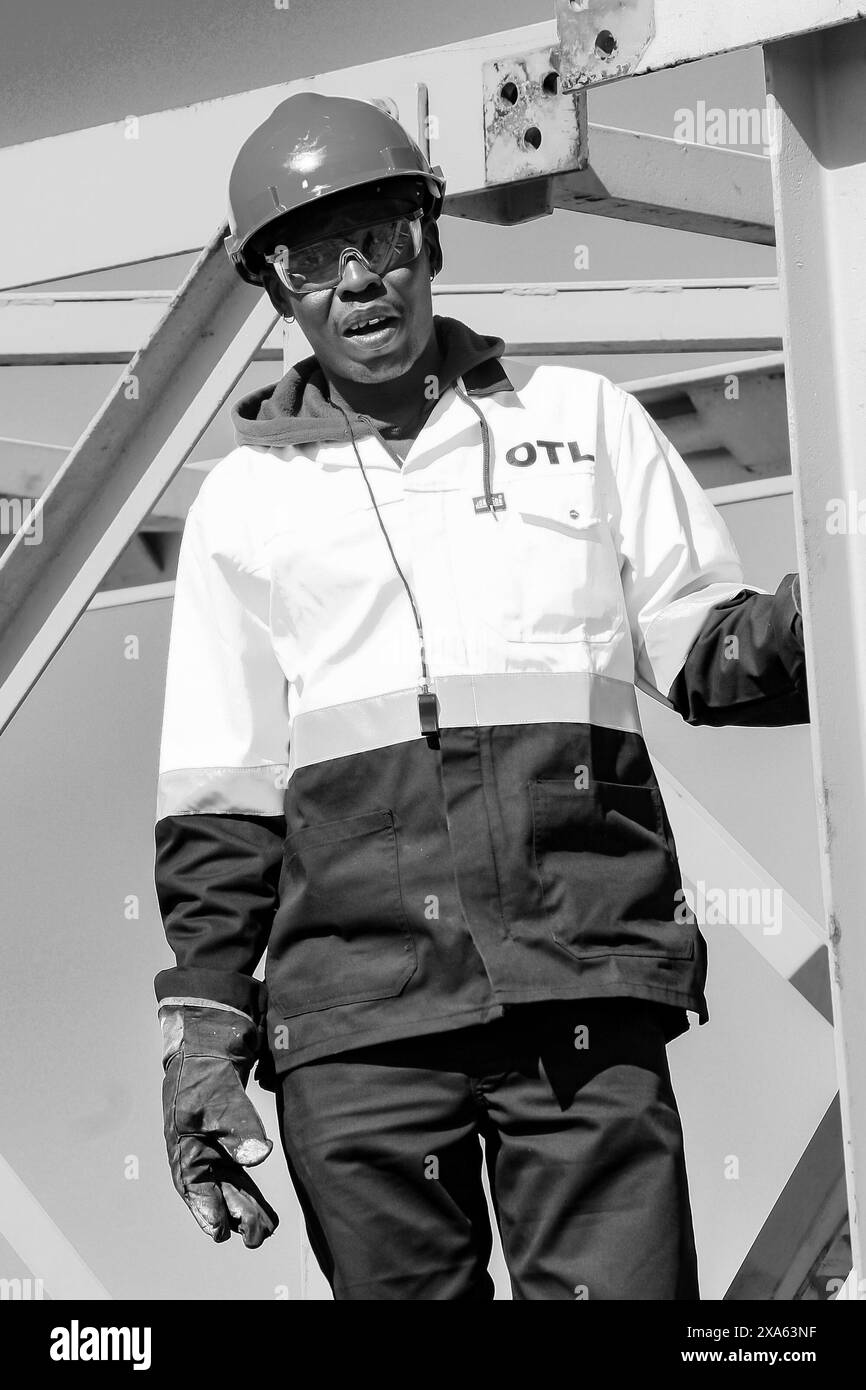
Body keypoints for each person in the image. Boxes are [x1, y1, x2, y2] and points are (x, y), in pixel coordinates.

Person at [153, 92, 808, 1300]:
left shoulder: (584, 424)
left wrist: (841, 601)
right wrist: (203, 1036)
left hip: (579, 985)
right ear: (275, 293)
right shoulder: (244, 507)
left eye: (383, 236)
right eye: (312, 255)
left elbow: (712, 656)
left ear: (431, 237)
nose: (357, 279)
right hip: (356, 1028)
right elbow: (219, 795)